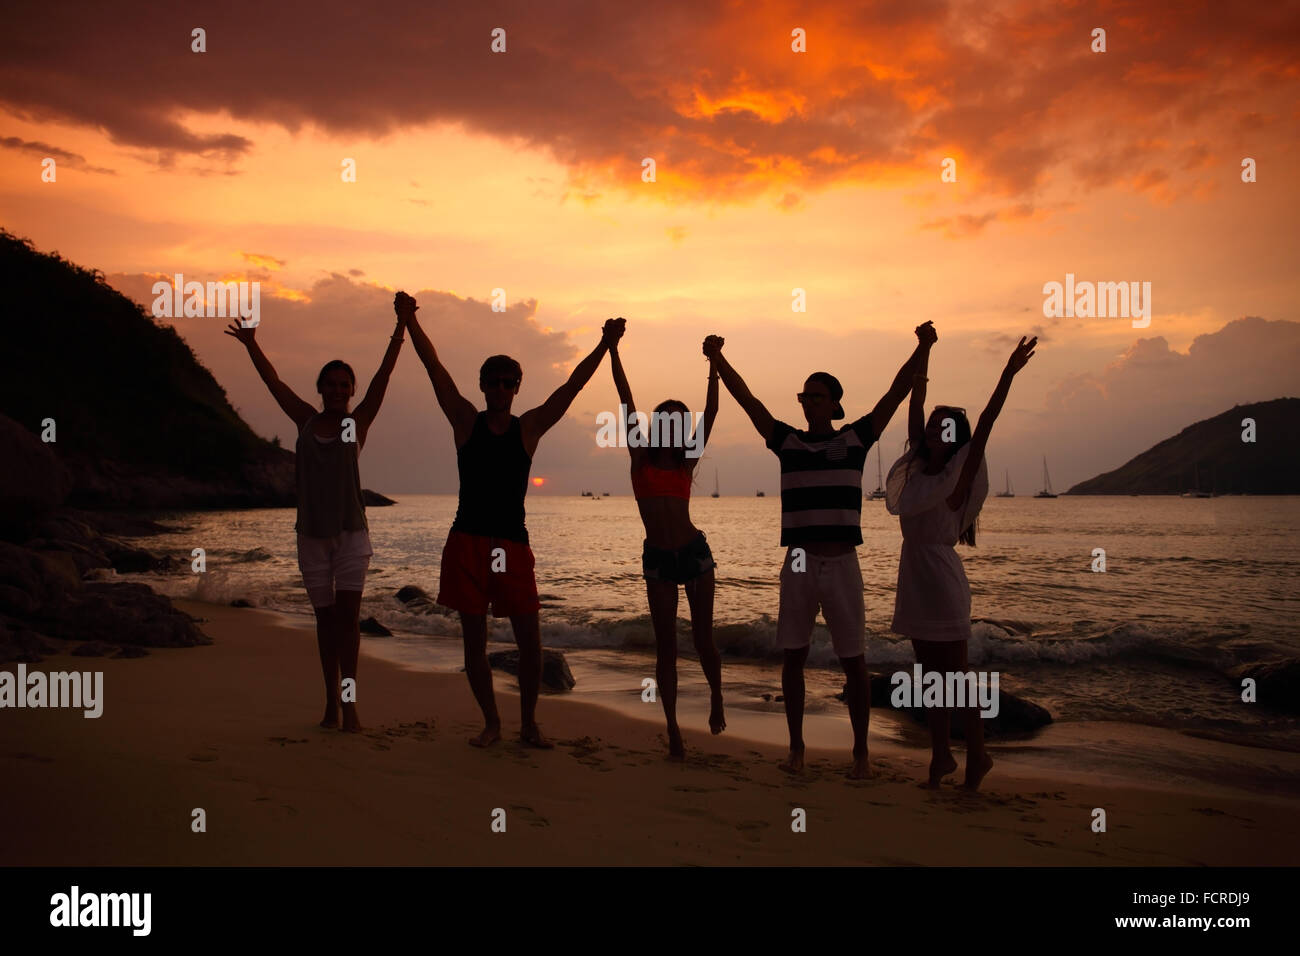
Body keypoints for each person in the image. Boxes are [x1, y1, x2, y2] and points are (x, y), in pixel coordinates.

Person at [704, 323, 935, 778]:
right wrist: (717, 360)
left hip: (843, 560)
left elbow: (895, 391)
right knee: (794, 655)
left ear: (833, 403)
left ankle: (861, 755)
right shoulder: (787, 441)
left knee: (854, 660)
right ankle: (796, 748)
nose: (807, 402)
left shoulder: (855, 438)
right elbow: (748, 401)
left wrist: (921, 347)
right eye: (803, 396)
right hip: (799, 560)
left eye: (815, 396)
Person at [406, 297, 622, 748]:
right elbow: (434, 370)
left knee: (530, 642)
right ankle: (492, 723)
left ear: (517, 388)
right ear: (483, 386)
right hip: (466, 541)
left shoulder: (529, 429)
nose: (502, 389)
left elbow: (571, 388)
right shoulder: (467, 422)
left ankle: (528, 724)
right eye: (495, 383)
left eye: (509, 383)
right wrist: (410, 321)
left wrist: (604, 343)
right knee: (474, 644)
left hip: (512, 545)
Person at [224, 294, 408, 732]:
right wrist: (252, 345)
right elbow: (274, 384)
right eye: (332, 384)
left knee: (348, 623)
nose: (339, 391)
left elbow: (383, 379)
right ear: (321, 388)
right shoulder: (304, 420)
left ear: (351, 391)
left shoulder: (356, 423)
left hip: (350, 535)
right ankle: (330, 702)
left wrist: (400, 330)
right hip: (310, 535)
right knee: (325, 624)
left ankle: (349, 705)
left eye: (346, 385)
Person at [886, 334, 1037, 790]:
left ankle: (977, 757)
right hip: (914, 577)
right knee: (931, 680)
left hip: (943, 582)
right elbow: (916, 401)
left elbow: (987, 420)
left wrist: (1007, 372)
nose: (935, 431)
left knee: (957, 680)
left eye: (944, 428)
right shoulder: (917, 468)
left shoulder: (960, 471)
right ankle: (939, 760)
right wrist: (925, 347)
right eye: (933, 426)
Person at [608, 327, 724, 759]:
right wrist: (614, 349)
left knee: (703, 638)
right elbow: (625, 398)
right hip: (657, 557)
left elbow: (711, 412)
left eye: (681, 420)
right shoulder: (640, 457)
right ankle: (673, 729)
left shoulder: (686, 460)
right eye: (668, 419)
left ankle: (716, 696)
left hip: (694, 554)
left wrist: (714, 364)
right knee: (667, 646)